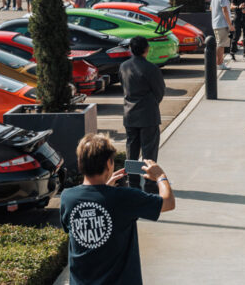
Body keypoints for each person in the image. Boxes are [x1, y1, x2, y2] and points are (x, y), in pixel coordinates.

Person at [60, 134, 174, 285]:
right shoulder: (125, 198)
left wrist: (104, 189)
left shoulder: (68, 198)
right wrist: (160, 176)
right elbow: (168, 202)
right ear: (109, 163)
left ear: (80, 162)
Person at [119, 36, 166, 192]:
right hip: (148, 114)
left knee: (131, 150)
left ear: (131, 49)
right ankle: (150, 183)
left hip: (130, 114)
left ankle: (133, 182)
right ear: (146, 49)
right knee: (149, 152)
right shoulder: (152, 68)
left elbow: (123, 87)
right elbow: (159, 91)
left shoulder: (124, 66)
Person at [210, 0, 234, 68]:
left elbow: (211, 8)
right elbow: (225, 10)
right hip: (222, 23)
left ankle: (219, 62)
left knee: (220, 43)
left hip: (215, 22)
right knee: (221, 44)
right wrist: (230, 24)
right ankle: (219, 63)